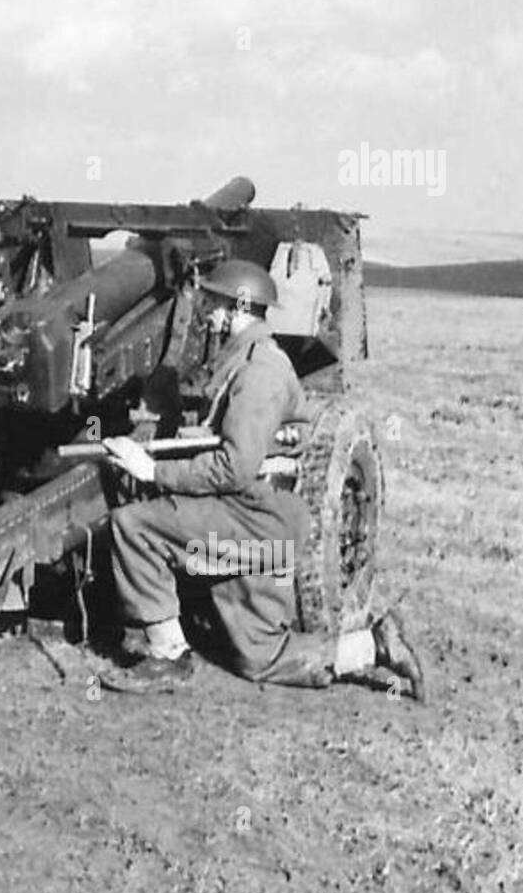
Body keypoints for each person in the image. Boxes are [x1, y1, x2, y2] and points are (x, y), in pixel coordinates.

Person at [102, 259, 425, 700]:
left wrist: (151, 470)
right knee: (259, 657)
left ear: (236, 308)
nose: (207, 311)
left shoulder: (260, 372)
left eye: (214, 302)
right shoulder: (244, 360)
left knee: (134, 525)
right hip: (257, 520)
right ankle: (374, 645)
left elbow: (235, 467)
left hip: (256, 520)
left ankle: (167, 656)